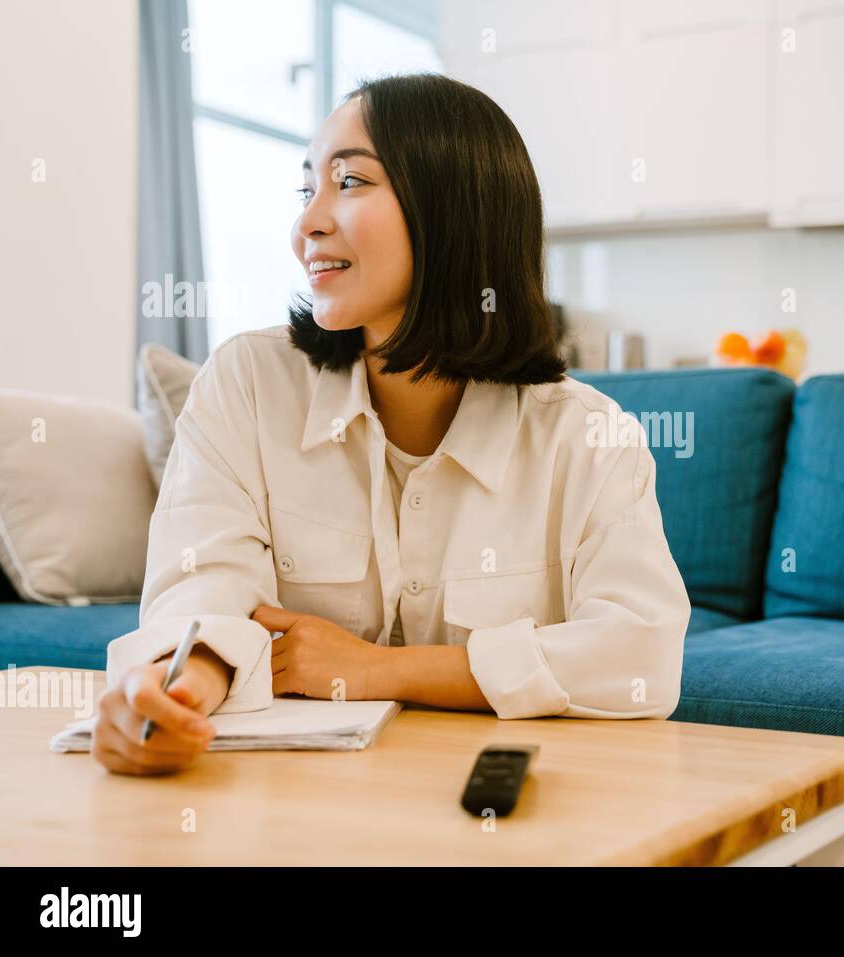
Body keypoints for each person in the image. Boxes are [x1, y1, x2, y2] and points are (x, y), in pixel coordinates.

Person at [93, 73, 691, 775]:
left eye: (349, 182)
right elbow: (207, 582)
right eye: (307, 189)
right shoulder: (246, 384)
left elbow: (640, 656)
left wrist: (381, 669)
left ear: (455, 209)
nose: (306, 225)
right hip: (298, 806)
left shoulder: (591, 438)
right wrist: (173, 695)